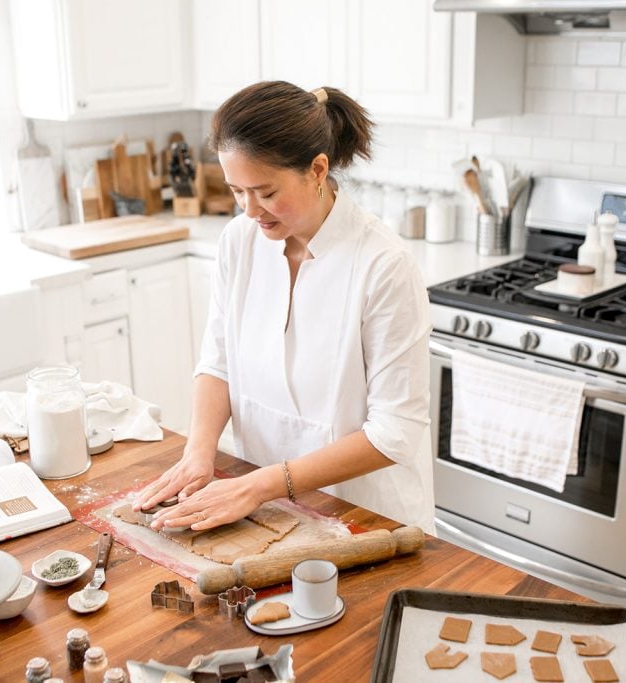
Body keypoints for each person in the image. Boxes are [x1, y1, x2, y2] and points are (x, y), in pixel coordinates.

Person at [133, 81, 434, 532]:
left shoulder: (383, 265)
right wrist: (199, 453)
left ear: (317, 169)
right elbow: (218, 364)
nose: (251, 210)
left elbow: (395, 432)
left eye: (266, 192)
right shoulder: (240, 241)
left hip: (367, 518)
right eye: (237, 191)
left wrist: (260, 486)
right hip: (262, 507)